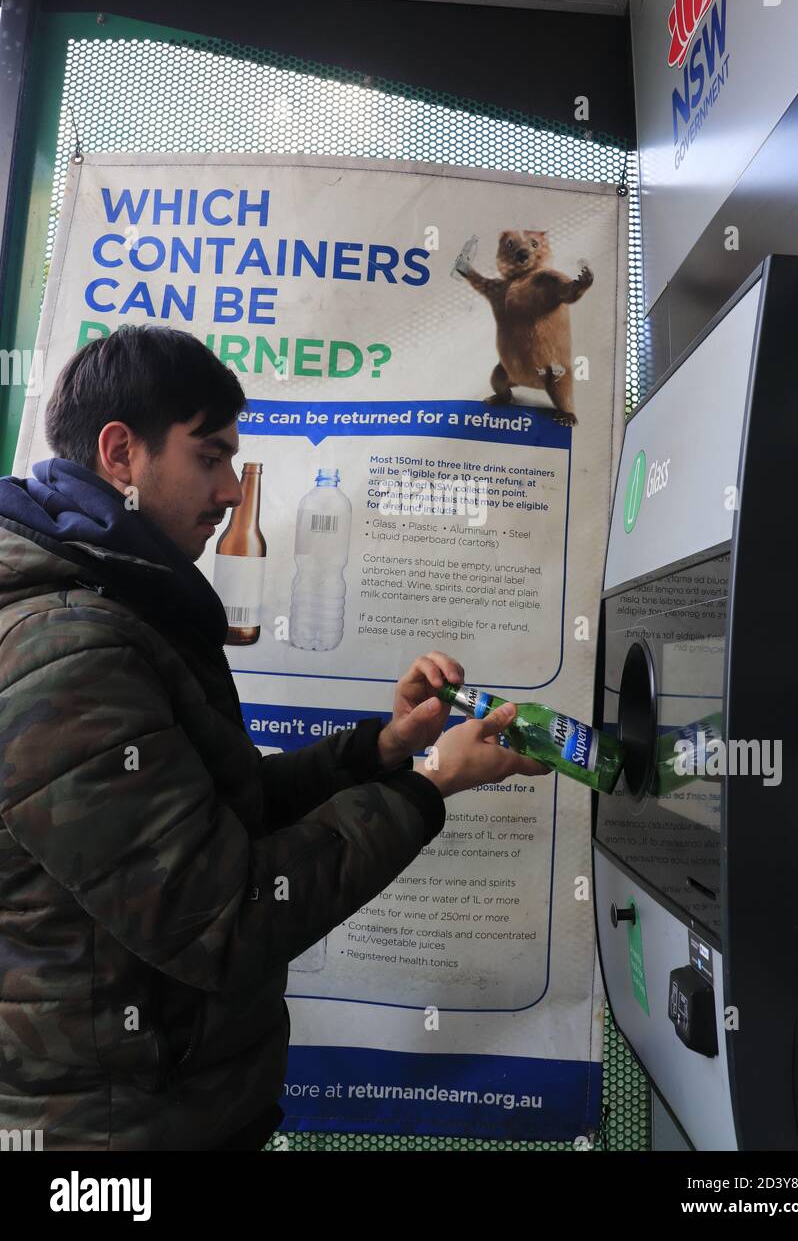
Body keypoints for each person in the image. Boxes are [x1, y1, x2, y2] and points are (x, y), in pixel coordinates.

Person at [0, 324, 548, 1151]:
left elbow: (219, 818)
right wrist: (429, 783)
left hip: (168, 1105)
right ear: (121, 454)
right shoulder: (67, 648)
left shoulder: (113, 605)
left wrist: (383, 751)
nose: (230, 490)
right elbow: (223, 916)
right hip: (114, 1135)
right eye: (209, 457)